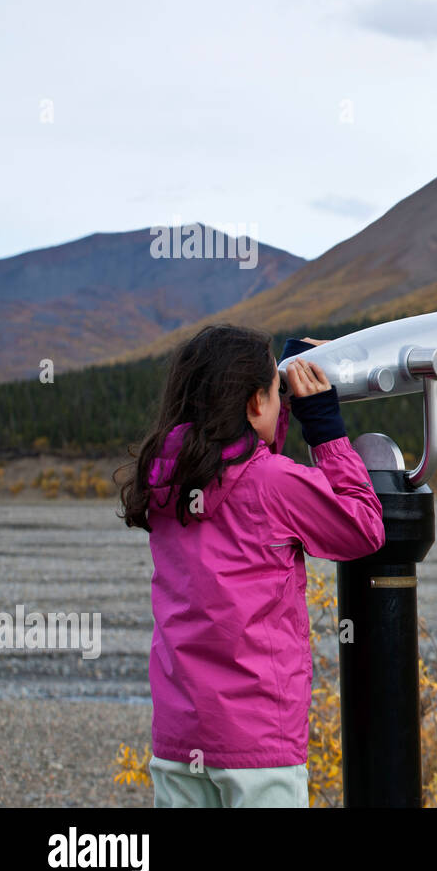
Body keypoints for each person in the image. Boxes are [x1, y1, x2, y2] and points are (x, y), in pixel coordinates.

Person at [117, 325, 385, 806]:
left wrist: (276, 379)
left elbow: (248, 463)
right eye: (273, 395)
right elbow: (363, 528)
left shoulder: (164, 476)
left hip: (180, 736)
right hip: (258, 742)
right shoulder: (271, 483)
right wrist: (324, 428)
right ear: (255, 403)